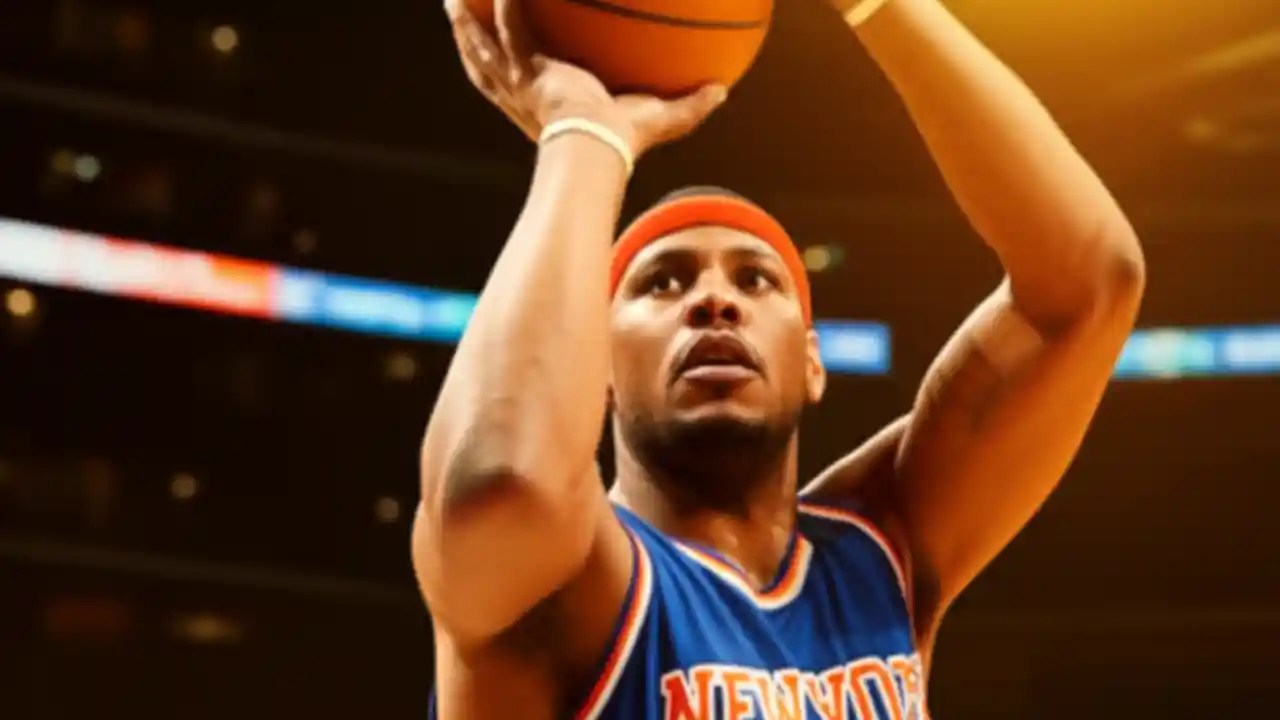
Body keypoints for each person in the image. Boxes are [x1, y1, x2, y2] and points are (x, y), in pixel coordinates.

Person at [415, 0, 1146, 717]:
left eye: (755, 279)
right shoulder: (572, 588)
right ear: (595, 370)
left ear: (812, 362)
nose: (714, 300)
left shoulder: (880, 551)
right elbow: (502, 486)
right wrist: (584, 134)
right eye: (663, 282)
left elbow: (1090, 285)